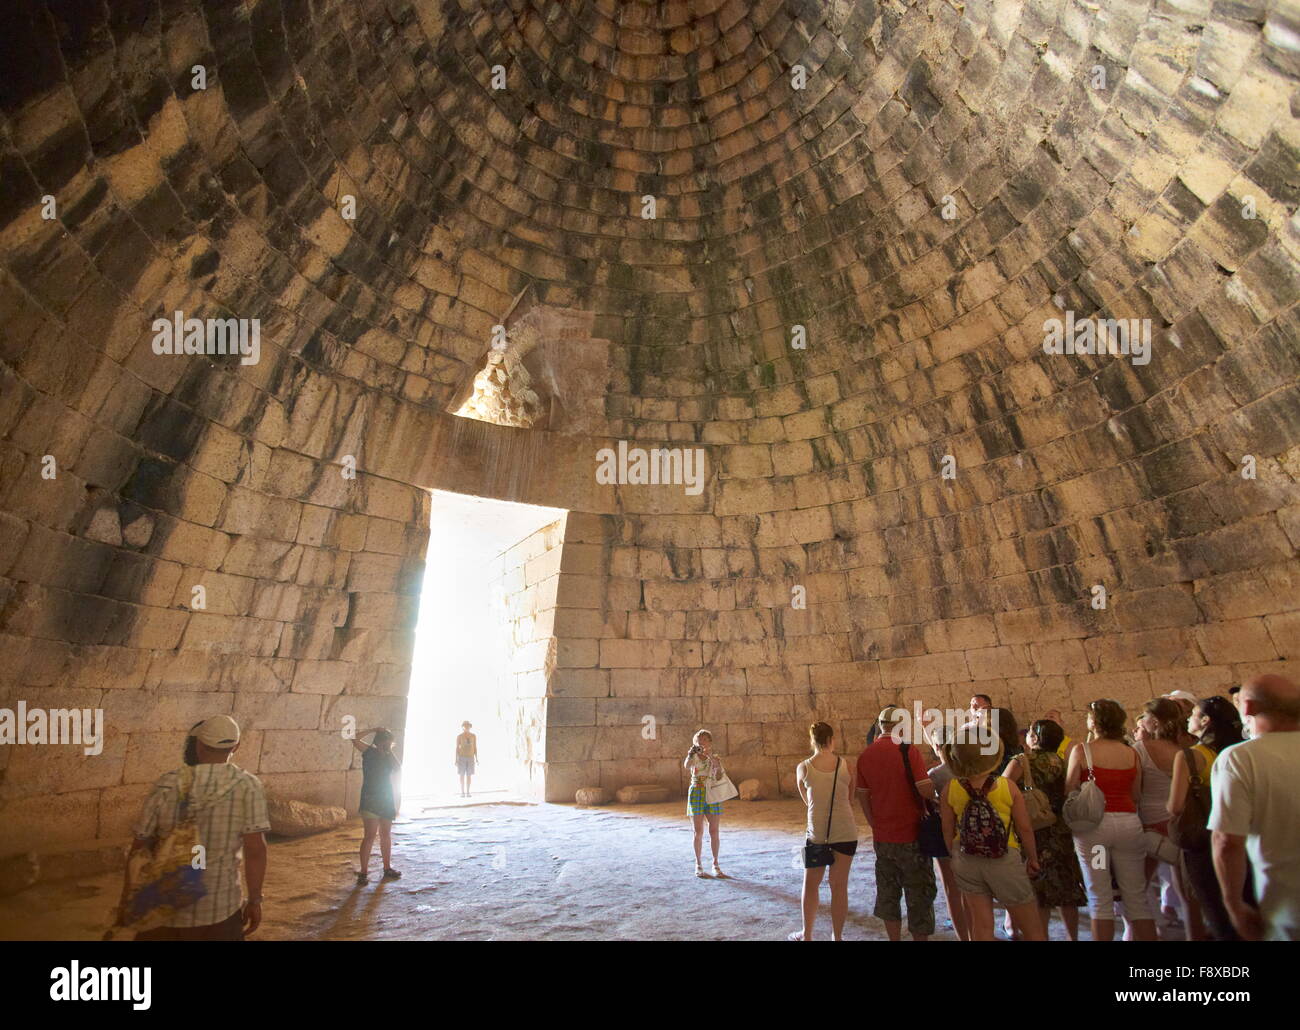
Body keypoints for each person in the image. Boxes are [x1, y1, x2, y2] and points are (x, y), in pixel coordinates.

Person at [117, 716, 269, 940]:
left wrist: (127, 899)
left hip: (162, 908)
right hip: (220, 909)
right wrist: (255, 900)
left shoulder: (167, 784)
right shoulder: (248, 786)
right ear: (236, 746)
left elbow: (139, 848)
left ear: (198, 745)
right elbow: (256, 850)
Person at [1208, 674, 1300, 941]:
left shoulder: (1240, 758)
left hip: (1288, 915)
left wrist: (1234, 905)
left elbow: (1226, 841)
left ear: (1246, 708)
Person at [1065, 699, 1157, 941]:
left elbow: (1070, 789)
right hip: (1128, 823)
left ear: (1093, 722)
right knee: (1136, 897)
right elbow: (1136, 794)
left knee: (1099, 897)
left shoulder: (1082, 751)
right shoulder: (1131, 753)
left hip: (1095, 829)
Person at [938, 736, 1045, 941]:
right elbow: (1024, 827)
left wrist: (953, 855)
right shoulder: (1007, 786)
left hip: (967, 857)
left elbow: (947, 828)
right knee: (1032, 927)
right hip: (1003, 858)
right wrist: (1032, 858)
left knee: (981, 926)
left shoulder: (950, 789)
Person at [855, 707, 937, 941]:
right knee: (919, 894)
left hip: (884, 836)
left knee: (888, 893)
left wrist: (874, 822)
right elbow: (924, 788)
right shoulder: (908, 751)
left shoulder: (866, 755)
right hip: (912, 834)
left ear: (880, 725)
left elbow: (862, 795)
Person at [1169, 695, 1243, 940]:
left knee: (1214, 910)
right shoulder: (1238, 750)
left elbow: (1176, 805)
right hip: (1240, 833)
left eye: (1193, 715)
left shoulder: (1191, 756)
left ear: (1205, 721)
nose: (1189, 718)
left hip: (1203, 837)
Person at [792, 722, 859, 940]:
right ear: (832, 739)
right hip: (846, 830)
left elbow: (806, 800)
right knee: (839, 887)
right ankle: (837, 937)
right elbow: (850, 798)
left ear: (811, 740)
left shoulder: (803, 767)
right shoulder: (846, 765)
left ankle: (808, 934)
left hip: (817, 832)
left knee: (811, 885)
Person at [1132, 698, 1192, 937]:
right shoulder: (1184, 750)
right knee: (1184, 887)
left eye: (1143, 717)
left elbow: (1136, 791)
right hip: (1179, 822)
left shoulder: (1141, 750)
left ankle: (1144, 932)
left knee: (1139, 885)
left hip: (1150, 823)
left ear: (1153, 721)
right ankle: (1193, 932)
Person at [1022, 719, 1087, 939]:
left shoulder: (1025, 762)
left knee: (1040, 892)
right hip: (1060, 827)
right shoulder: (1060, 760)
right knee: (1066, 886)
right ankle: (1073, 936)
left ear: (1036, 737)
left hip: (1036, 827)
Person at [924, 728, 970, 940]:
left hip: (947, 835)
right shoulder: (970, 768)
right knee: (972, 890)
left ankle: (963, 936)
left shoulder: (935, 775)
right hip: (971, 833)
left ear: (938, 747)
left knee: (952, 890)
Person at [352, 727, 402, 885]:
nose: (387, 745)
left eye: (390, 743)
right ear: (378, 741)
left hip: (385, 797)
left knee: (386, 834)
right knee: (370, 835)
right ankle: (363, 872)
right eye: (385, 742)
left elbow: (397, 767)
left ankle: (387, 868)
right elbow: (354, 738)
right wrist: (373, 729)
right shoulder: (369, 752)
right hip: (371, 797)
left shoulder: (389, 756)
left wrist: (389, 751)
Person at [684, 729, 728, 879]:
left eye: (704, 739)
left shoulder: (714, 757)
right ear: (694, 743)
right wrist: (690, 754)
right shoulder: (693, 756)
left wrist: (714, 762)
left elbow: (720, 776)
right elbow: (686, 766)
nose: (701, 742)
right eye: (698, 740)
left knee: (714, 831)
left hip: (711, 793)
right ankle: (698, 864)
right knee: (698, 831)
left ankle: (715, 864)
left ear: (710, 742)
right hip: (696, 791)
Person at [455, 721, 477, 797]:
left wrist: (476, 757)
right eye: (465, 726)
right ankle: (462, 792)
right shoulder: (459, 736)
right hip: (462, 757)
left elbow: (475, 747)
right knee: (461, 775)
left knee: (469, 775)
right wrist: (456, 759)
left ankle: (468, 792)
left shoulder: (473, 736)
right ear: (463, 727)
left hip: (470, 757)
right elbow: (457, 748)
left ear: (470, 727)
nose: (466, 727)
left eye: (467, 726)